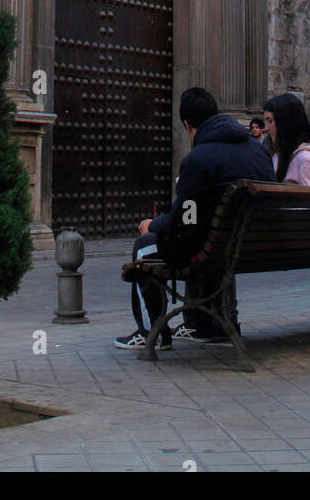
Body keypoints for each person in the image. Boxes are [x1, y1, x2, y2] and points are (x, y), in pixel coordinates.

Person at [116, 87, 274, 350]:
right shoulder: (260, 153)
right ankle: (213, 325)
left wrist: (151, 225)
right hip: (253, 246)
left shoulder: (198, 159)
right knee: (214, 239)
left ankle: (152, 334)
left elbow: (181, 220)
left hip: (214, 248)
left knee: (145, 246)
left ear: (188, 126)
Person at [263, 93, 310, 186]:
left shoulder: (306, 160)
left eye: (270, 121)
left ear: (285, 122)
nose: (266, 128)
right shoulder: (277, 156)